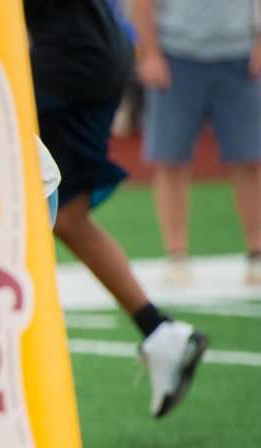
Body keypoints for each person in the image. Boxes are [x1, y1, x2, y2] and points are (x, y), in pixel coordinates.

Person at [23, 0, 208, 419]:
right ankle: (159, 331)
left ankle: (5, 355)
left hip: (68, 59)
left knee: (3, 189)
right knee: (67, 215)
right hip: (94, 55)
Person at [131, 0, 261, 286]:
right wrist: (150, 54)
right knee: (170, 158)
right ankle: (176, 256)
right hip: (176, 53)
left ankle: (257, 253)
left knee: (249, 158)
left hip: (240, 54)